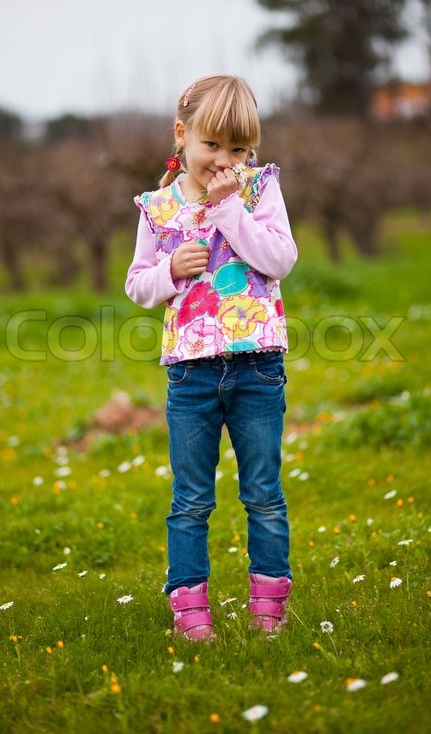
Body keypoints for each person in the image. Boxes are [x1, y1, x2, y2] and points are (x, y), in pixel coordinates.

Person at [125, 74, 298, 641]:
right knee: (191, 498)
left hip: (256, 368)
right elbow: (137, 286)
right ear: (182, 136)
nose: (225, 160)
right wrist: (169, 273)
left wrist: (229, 212)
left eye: (239, 149)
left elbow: (279, 260)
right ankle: (190, 608)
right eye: (213, 146)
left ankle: (269, 605)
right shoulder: (157, 209)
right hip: (191, 374)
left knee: (263, 494)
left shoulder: (257, 192)